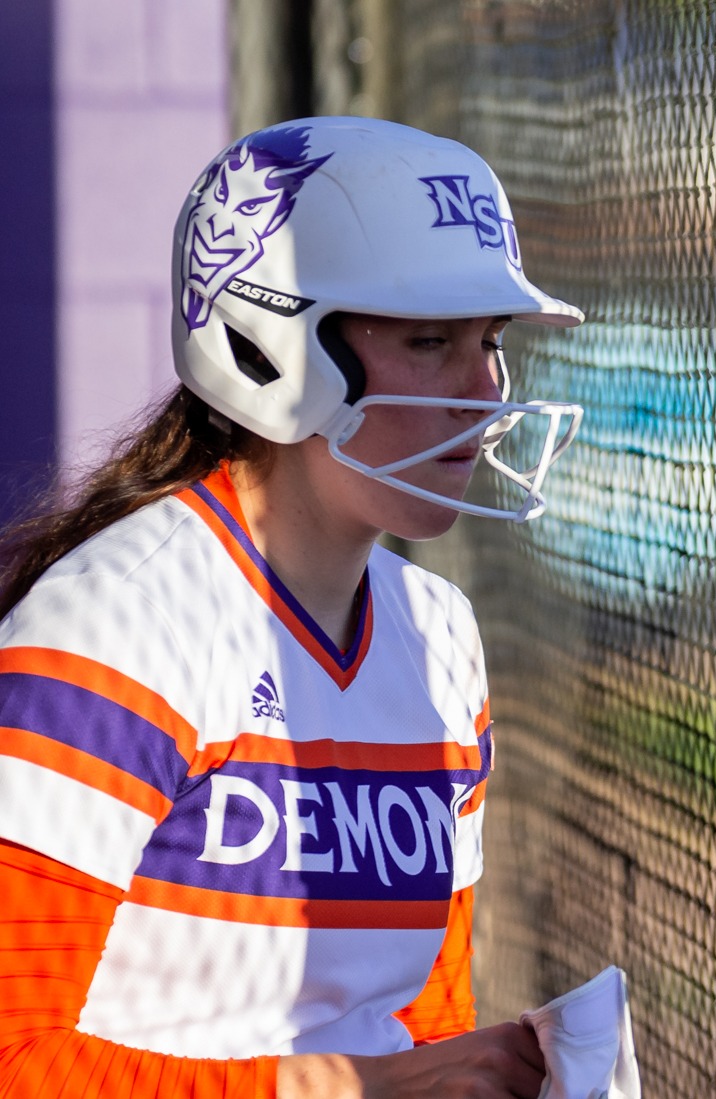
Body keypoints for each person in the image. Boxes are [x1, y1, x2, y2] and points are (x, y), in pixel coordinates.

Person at [0, 117, 584, 1097]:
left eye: (490, 342)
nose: (485, 393)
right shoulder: (110, 630)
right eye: (431, 341)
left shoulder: (438, 637)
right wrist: (345, 1088)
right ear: (265, 347)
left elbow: (423, 1025)